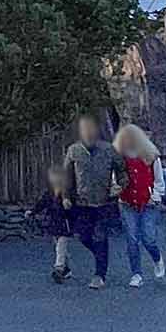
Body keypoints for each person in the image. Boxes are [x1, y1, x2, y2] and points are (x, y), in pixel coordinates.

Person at [61, 113, 122, 290]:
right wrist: (65, 196)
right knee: (83, 236)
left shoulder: (109, 149)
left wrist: (119, 186)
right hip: (82, 203)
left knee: (100, 236)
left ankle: (99, 274)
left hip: (104, 202)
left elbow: (122, 171)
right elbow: (67, 176)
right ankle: (100, 256)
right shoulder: (74, 150)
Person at [112, 123, 166, 286]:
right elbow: (115, 178)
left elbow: (159, 179)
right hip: (127, 202)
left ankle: (157, 259)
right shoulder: (120, 158)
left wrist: (155, 196)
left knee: (148, 238)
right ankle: (136, 273)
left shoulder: (151, 156)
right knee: (132, 239)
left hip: (148, 202)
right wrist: (117, 189)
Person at [31, 165, 76, 283]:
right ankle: (66, 269)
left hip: (65, 222)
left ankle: (58, 268)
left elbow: (75, 207)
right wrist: (32, 211)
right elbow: (42, 203)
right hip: (54, 222)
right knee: (59, 247)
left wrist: (70, 208)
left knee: (60, 246)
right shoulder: (50, 192)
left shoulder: (69, 192)